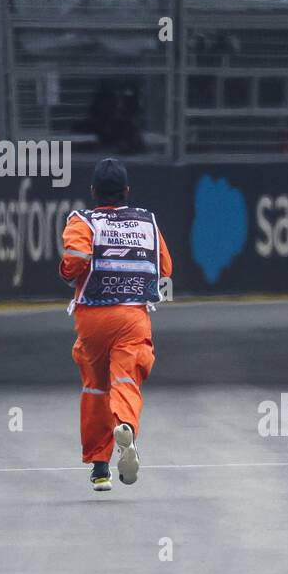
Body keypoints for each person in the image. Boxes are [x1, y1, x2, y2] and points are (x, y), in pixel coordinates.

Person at [59, 158, 173, 492]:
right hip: (133, 317)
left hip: (92, 317)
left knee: (95, 388)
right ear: (126, 191)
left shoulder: (83, 220)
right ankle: (125, 425)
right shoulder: (146, 222)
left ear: (93, 192)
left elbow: (75, 260)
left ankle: (99, 468)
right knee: (126, 378)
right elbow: (165, 267)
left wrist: (68, 272)